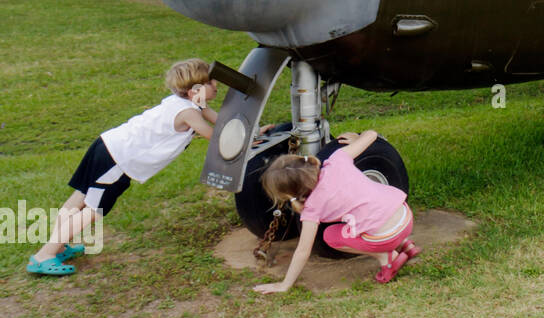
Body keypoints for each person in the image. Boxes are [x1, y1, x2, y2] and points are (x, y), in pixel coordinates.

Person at [27, 58, 218, 276]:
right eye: (211, 82)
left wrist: (254, 132)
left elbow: (217, 120)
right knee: (93, 209)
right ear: (195, 90)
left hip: (106, 146)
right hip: (118, 160)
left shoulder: (186, 103)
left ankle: (58, 247)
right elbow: (214, 134)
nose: (216, 86)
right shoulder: (188, 113)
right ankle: (44, 255)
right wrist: (244, 141)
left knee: (80, 196)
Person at [253, 130, 419, 293]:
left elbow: (303, 250)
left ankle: (386, 257)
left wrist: (285, 284)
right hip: (404, 216)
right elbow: (372, 134)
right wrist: (357, 138)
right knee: (371, 211)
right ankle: (405, 244)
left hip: (386, 236)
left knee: (330, 236)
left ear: (291, 194)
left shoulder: (312, 208)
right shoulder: (337, 159)